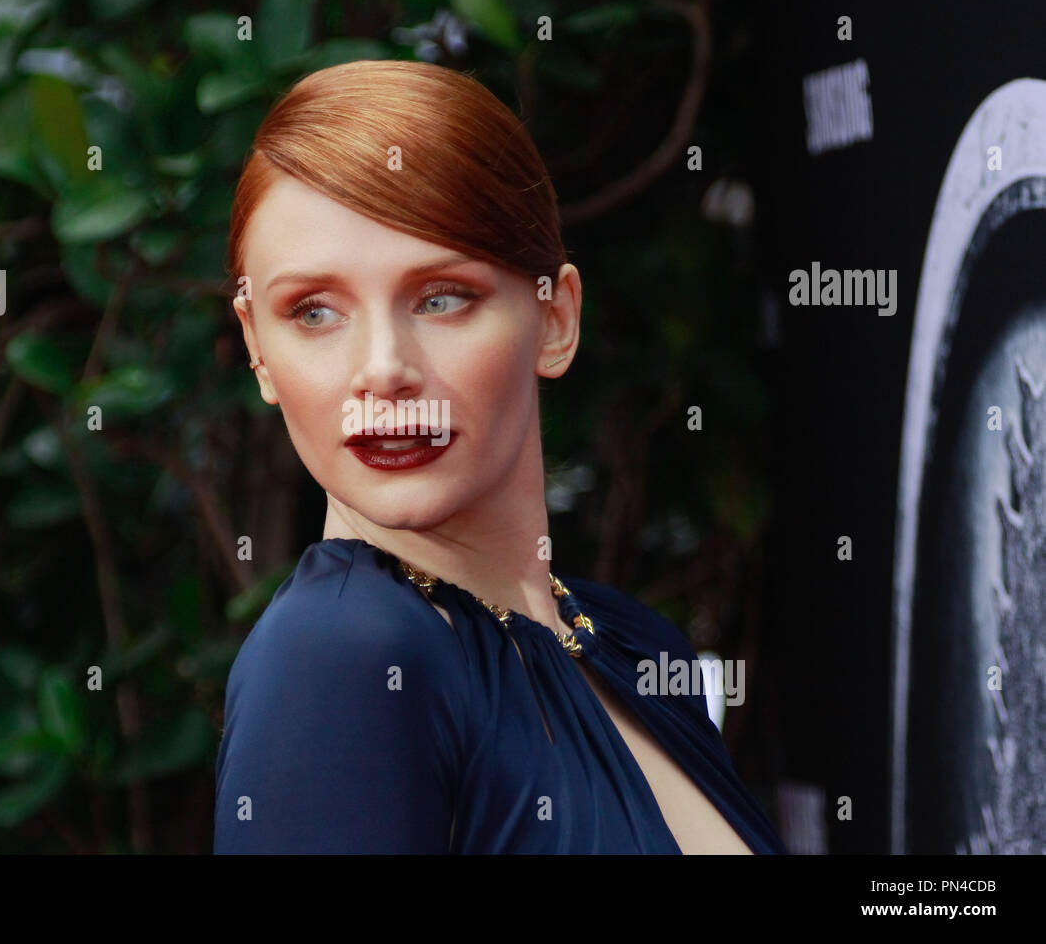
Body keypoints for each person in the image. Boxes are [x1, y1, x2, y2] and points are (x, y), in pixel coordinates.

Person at [213, 59, 787, 854]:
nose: (383, 368)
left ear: (555, 319)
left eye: (441, 297)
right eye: (314, 312)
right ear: (258, 350)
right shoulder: (340, 658)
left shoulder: (637, 646)